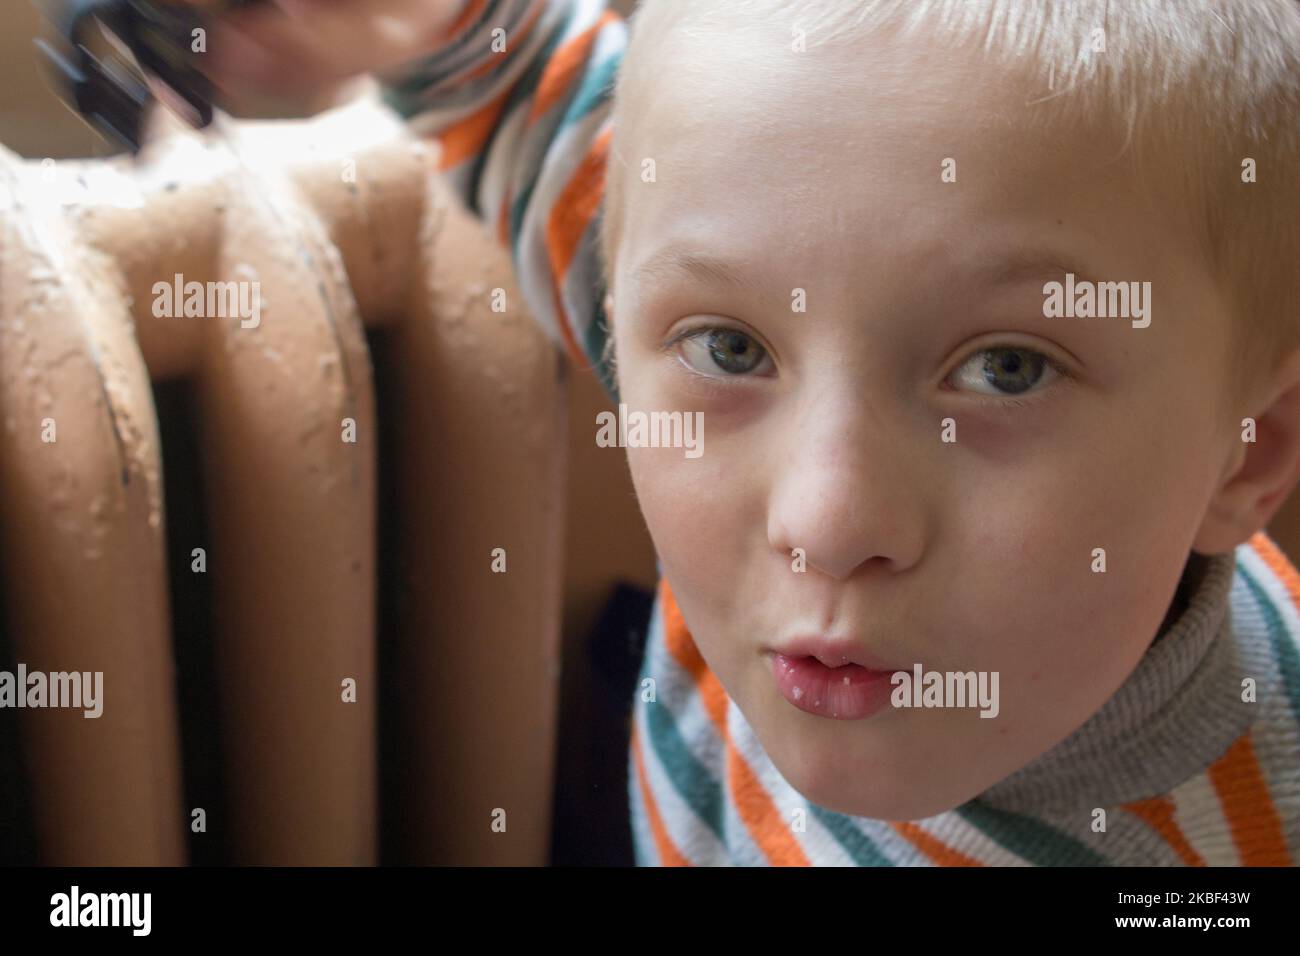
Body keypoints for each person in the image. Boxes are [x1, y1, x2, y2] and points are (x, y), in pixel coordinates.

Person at [203, 0, 1300, 865]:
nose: (821, 521)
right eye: (734, 350)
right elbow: (526, 85)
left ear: (1247, 446)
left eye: (1003, 370)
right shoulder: (714, 261)